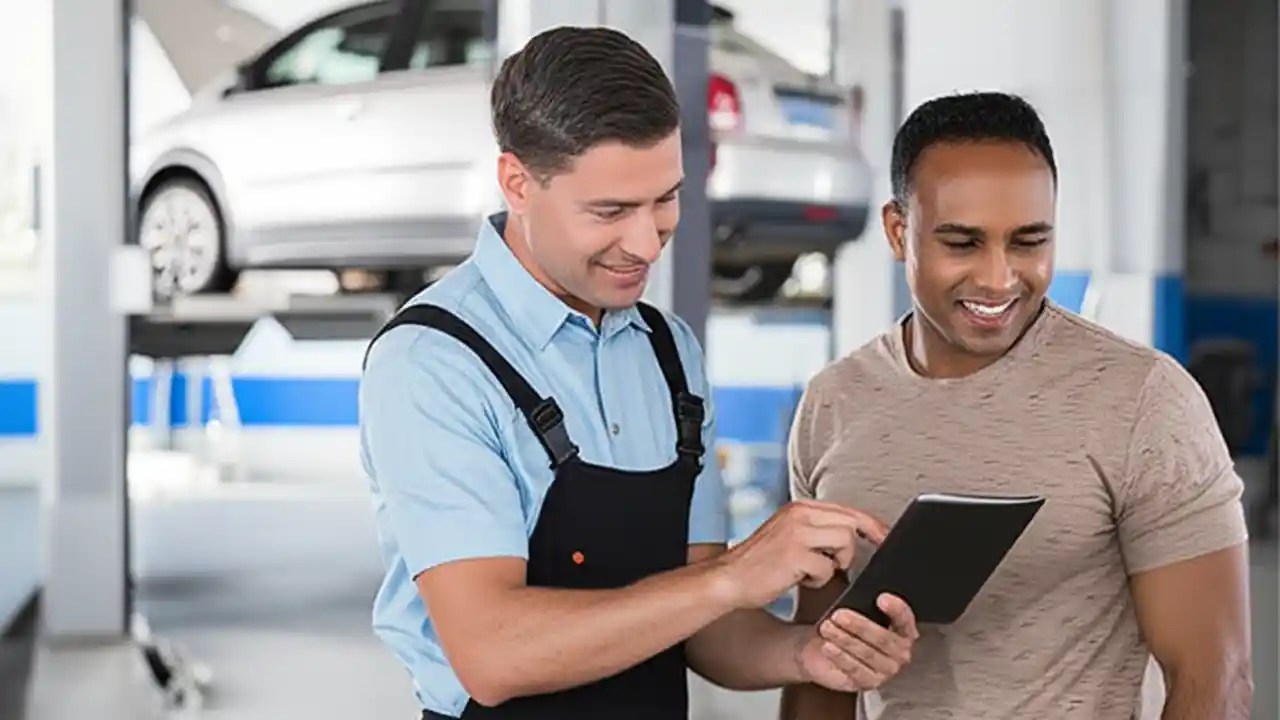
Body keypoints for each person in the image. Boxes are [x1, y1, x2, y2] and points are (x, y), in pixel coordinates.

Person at [358, 26, 919, 720]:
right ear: (517, 183)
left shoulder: (668, 350)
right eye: (610, 211)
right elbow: (492, 655)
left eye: (665, 200)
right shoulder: (434, 362)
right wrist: (734, 576)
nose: (647, 241)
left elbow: (706, 630)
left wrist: (807, 654)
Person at [780, 91, 1254, 720]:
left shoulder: (1142, 398)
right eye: (963, 243)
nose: (1000, 279)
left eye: (1028, 242)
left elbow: (1214, 679)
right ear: (899, 231)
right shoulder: (833, 402)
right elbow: (823, 663)